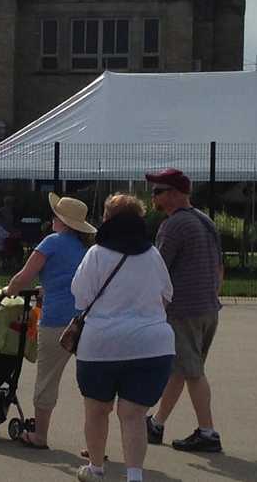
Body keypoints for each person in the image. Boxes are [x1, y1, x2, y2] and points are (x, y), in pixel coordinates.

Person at [72, 193, 175, 482]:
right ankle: (134, 476)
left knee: (97, 410)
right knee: (133, 415)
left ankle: (95, 468)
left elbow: (80, 298)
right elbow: (167, 296)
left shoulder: (96, 254)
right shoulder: (153, 255)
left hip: (101, 346)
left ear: (107, 219)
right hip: (152, 346)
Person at [2, 192, 97, 449]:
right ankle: (95, 443)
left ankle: (40, 435)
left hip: (56, 321)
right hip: (86, 321)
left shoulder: (51, 242)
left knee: (47, 379)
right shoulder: (85, 249)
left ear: (61, 221)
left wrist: (8, 290)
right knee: (93, 382)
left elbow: (25, 276)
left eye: (55, 215)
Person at [144, 168, 225, 453]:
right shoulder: (205, 220)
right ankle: (156, 423)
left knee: (192, 372)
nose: (153, 196)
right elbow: (219, 267)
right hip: (207, 307)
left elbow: (158, 269)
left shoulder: (174, 225)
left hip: (184, 311)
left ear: (175, 194)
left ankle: (208, 433)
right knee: (180, 369)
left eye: (158, 191)